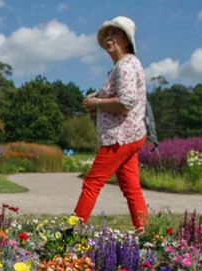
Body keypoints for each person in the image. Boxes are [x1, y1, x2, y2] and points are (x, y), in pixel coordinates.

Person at [73, 16, 149, 233]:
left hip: (120, 136)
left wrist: (96, 103)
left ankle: (73, 232)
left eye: (114, 33)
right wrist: (98, 100)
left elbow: (125, 102)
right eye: (106, 34)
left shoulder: (125, 65)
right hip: (130, 135)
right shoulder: (124, 65)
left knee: (92, 182)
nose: (108, 37)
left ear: (126, 39)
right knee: (131, 188)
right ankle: (145, 233)